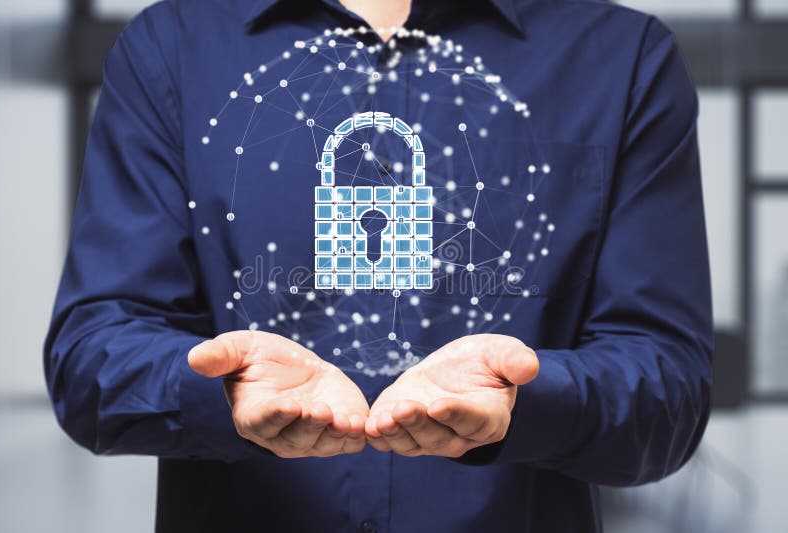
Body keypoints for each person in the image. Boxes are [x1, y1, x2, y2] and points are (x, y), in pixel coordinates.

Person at [44, 0, 713, 531]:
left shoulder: (621, 59)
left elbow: (671, 385)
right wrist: (223, 391)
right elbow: (89, 361)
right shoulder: (170, 49)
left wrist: (529, 399)